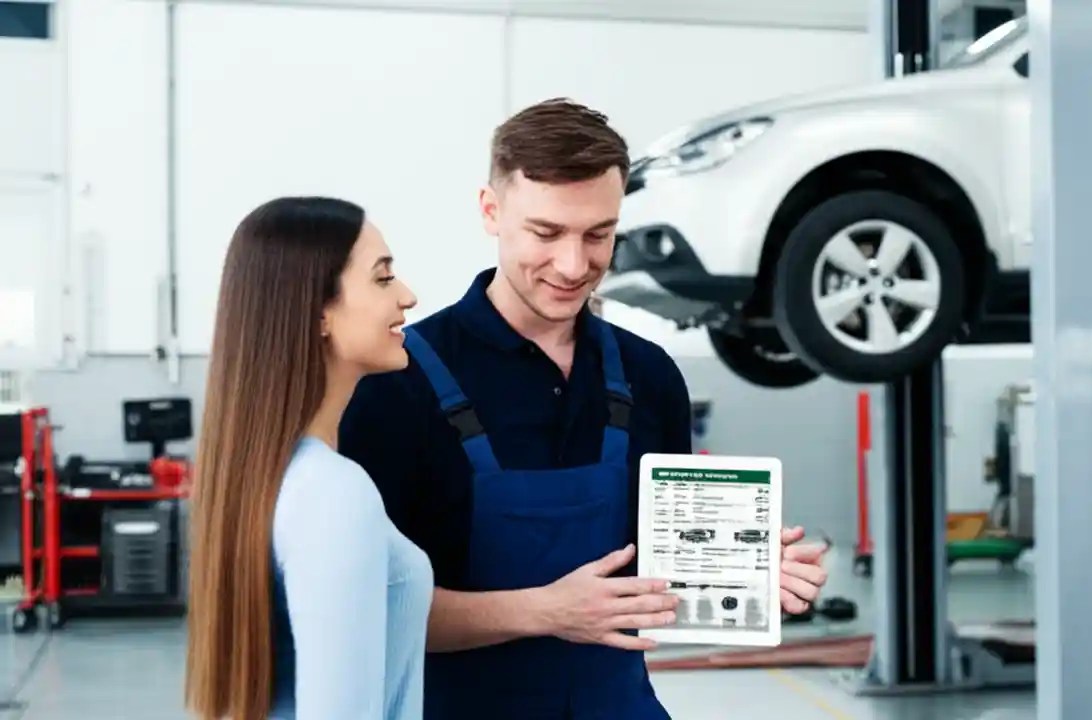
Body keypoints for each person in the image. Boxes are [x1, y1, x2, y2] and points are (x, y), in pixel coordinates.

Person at [338, 99, 829, 719]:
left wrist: (744, 570)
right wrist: (547, 610)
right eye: (546, 234)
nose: (574, 266)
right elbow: (368, 613)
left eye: (598, 234)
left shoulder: (650, 376)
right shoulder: (398, 380)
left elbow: (655, 572)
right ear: (491, 211)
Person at [184, 197, 432, 720]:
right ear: (319, 311)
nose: (407, 296)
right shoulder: (334, 493)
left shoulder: (265, 475)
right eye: (383, 279)